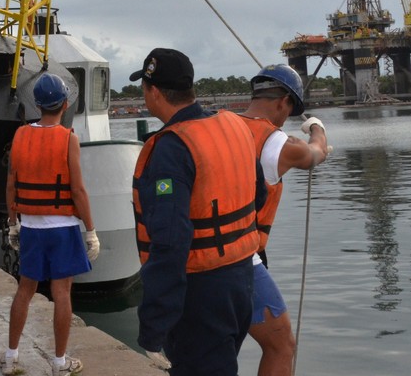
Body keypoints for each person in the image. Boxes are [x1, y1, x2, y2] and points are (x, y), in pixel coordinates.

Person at [131, 48, 261, 376]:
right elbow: (257, 193)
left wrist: (154, 325)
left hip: (200, 293)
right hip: (241, 280)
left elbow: (170, 239)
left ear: (153, 92)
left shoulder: (172, 148)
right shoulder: (234, 127)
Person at [0, 73, 100, 376]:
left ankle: (10, 357)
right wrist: (91, 231)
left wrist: (13, 223)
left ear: (37, 105)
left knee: (25, 290)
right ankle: (59, 363)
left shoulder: (20, 136)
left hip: (31, 226)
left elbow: (11, 185)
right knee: (62, 293)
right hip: (62, 228)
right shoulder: (68, 138)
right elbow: (77, 191)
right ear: (65, 104)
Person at [239, 64, 329, 376]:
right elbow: (316, 154)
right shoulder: (278, 144)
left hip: (201, 255)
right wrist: (316, 127)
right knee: (281, 345)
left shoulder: (220, 126)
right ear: (283, 103)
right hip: (242, 258)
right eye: (289, 112)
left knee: (218, 347)